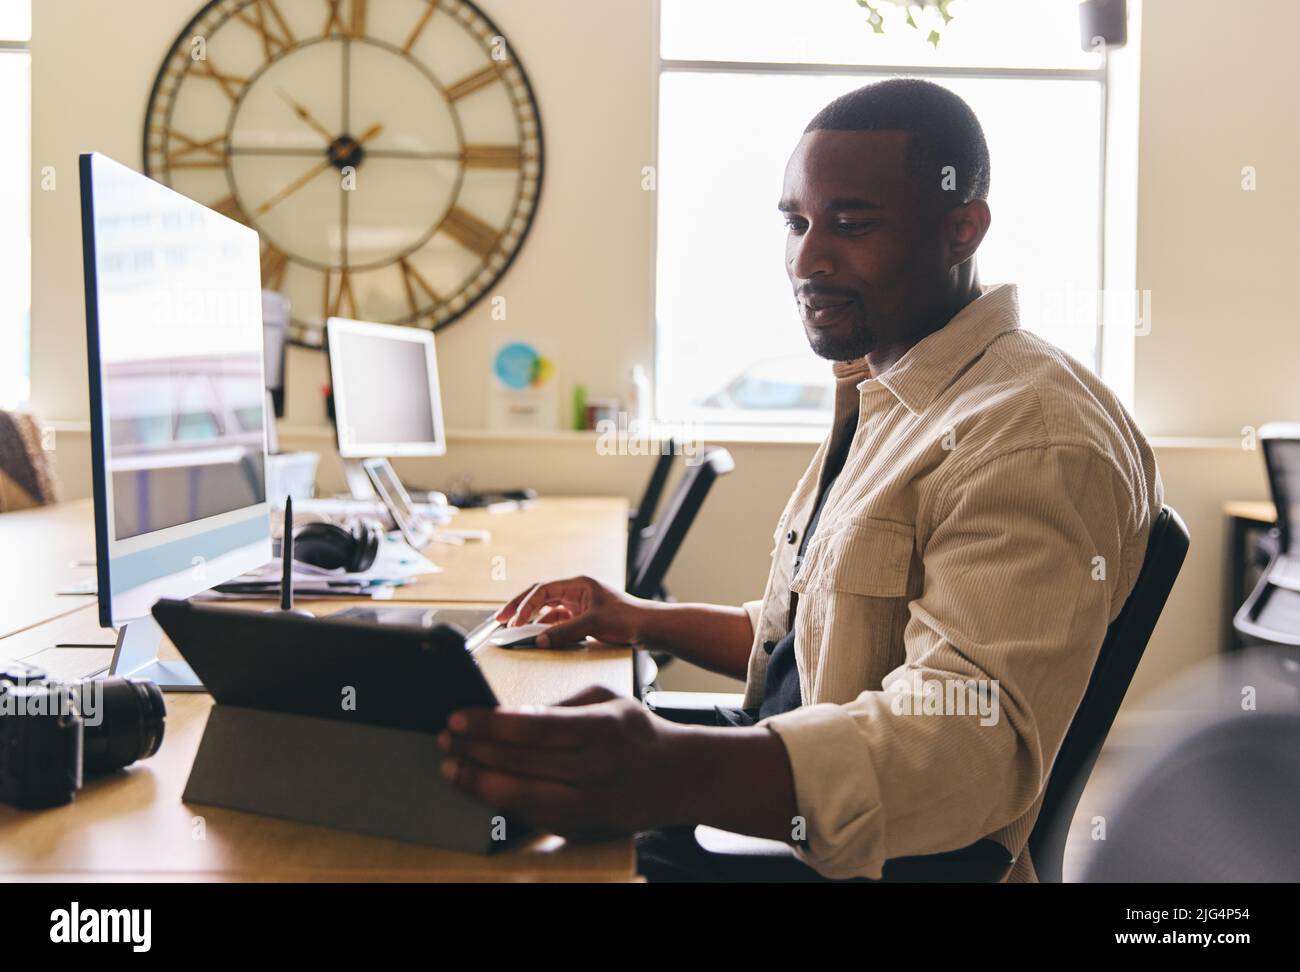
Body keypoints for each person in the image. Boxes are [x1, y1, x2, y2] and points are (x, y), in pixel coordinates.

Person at [436, 78, 1163, 883]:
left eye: (850, 225)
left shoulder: (1029, 435)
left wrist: (672, 766)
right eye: (796, 223)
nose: (808, 260)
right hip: (781, 815)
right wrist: (636, 617)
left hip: (858, 862)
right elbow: (816, 644)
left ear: (963, 228)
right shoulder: (891, 387)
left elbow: (971, 741)